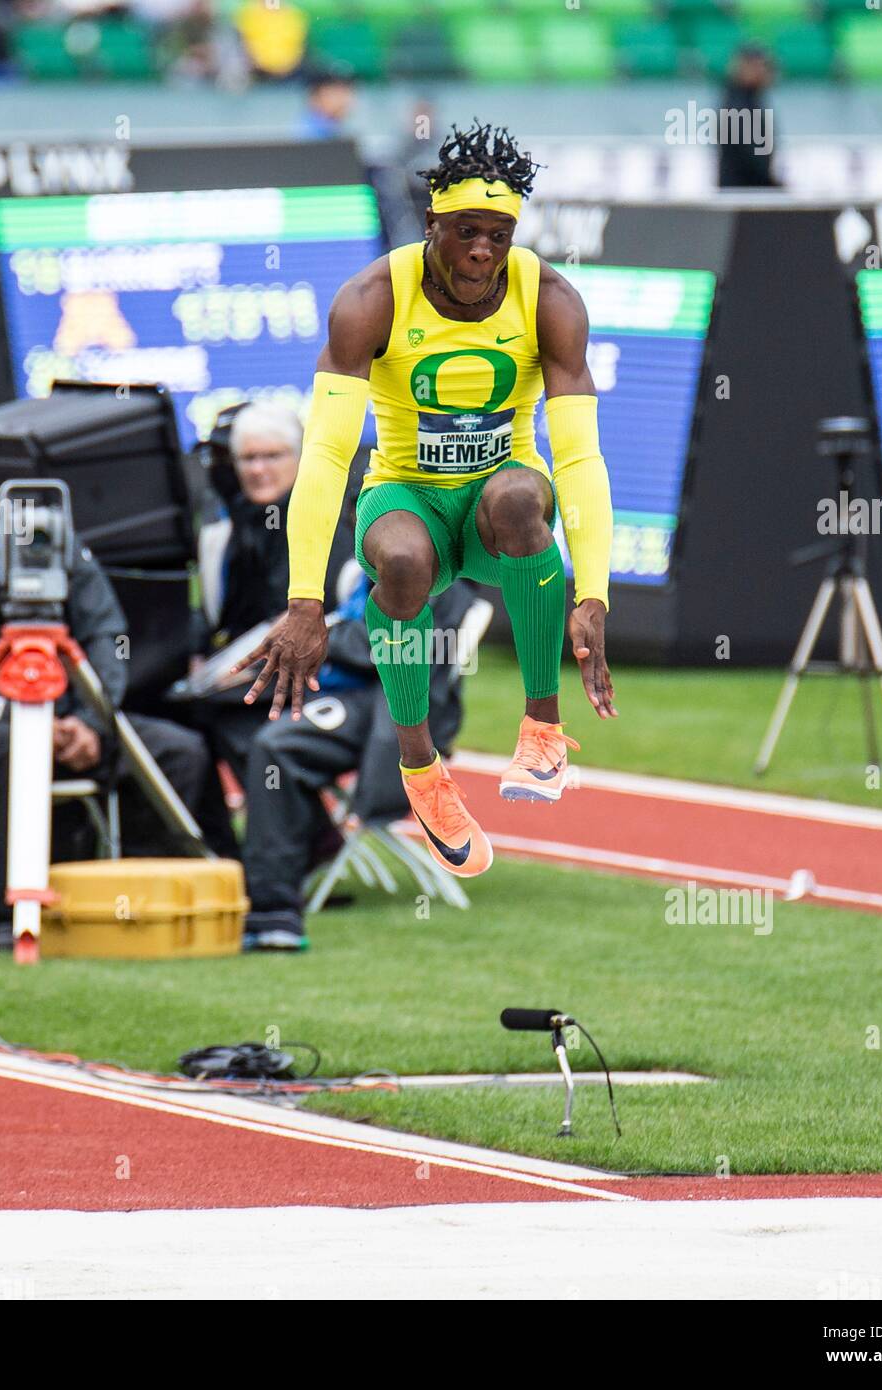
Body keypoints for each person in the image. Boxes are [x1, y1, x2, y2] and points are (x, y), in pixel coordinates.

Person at [231, 120, 617, 883]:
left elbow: (577, 457)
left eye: (498, 235)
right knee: (402, 561)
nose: (482, 252)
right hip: (406, 496)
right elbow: (328, 454)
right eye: (466, 232)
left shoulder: (552, 300)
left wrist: (594, 594)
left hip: (496, 506)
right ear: (430, 223)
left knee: (514, 494)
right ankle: (420, 770)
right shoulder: (371, 299)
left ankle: (542, 729)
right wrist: (304, 601)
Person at [0, 422, 237, 949]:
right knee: (0, 753)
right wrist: (23, 722)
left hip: (74, 716)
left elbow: (104, 634)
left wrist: (91, 721)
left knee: (177, 751)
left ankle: (136, 900)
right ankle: (5, 918)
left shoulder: (44, 536)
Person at [240, 575, 477, 951]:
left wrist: (317, 637)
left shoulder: (431, 574)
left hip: (389, 708)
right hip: (353, 693)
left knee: (275, 746)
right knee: (232, 720)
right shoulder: (371, 563)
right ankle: (289, 850)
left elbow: (385, 645)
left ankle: (274, 910)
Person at [188, 401, 353, 782]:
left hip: (321, 676)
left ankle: (302, 838)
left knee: (236, 726)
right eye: (247, 459)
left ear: (299, 457)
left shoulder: (331, 521)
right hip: (253, 671)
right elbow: (221, 615)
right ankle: (213, 838)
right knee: (179, 713)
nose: (258, 469)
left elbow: (339, 620)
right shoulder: (232, 528)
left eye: (271, 456)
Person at [718, 44, 780, 191]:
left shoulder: (748, 102)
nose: (765, 72)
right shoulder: (738, 108)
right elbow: (752, 162)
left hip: (743, 192)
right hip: (743, 195)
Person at [297, 70, 355, 141]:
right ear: (315, 98)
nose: (344, 101)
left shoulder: (336, 128)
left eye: (345, 93)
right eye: (336, 94)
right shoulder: (303, 135)